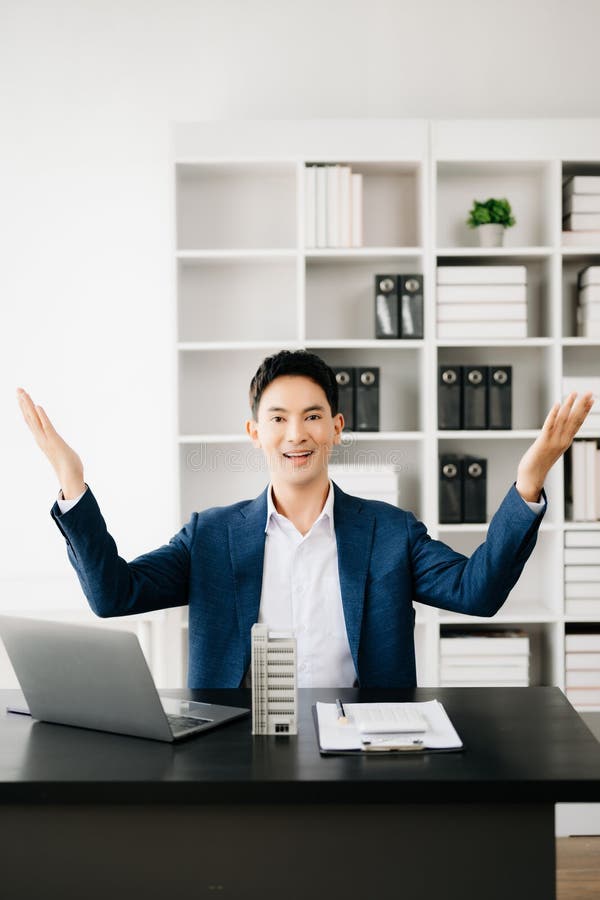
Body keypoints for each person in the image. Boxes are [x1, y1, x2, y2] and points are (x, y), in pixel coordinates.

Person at [16, 350, 593, 689]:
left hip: (367, 748)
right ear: (255, 433)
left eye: (313, 416)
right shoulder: (211, 536)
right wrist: (71, 482)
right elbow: (113, 595)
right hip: (240, 751)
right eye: (279, 418)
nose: (297, 434)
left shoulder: (390, 532)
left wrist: (529, 481)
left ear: (337, 428)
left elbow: (478, 592)